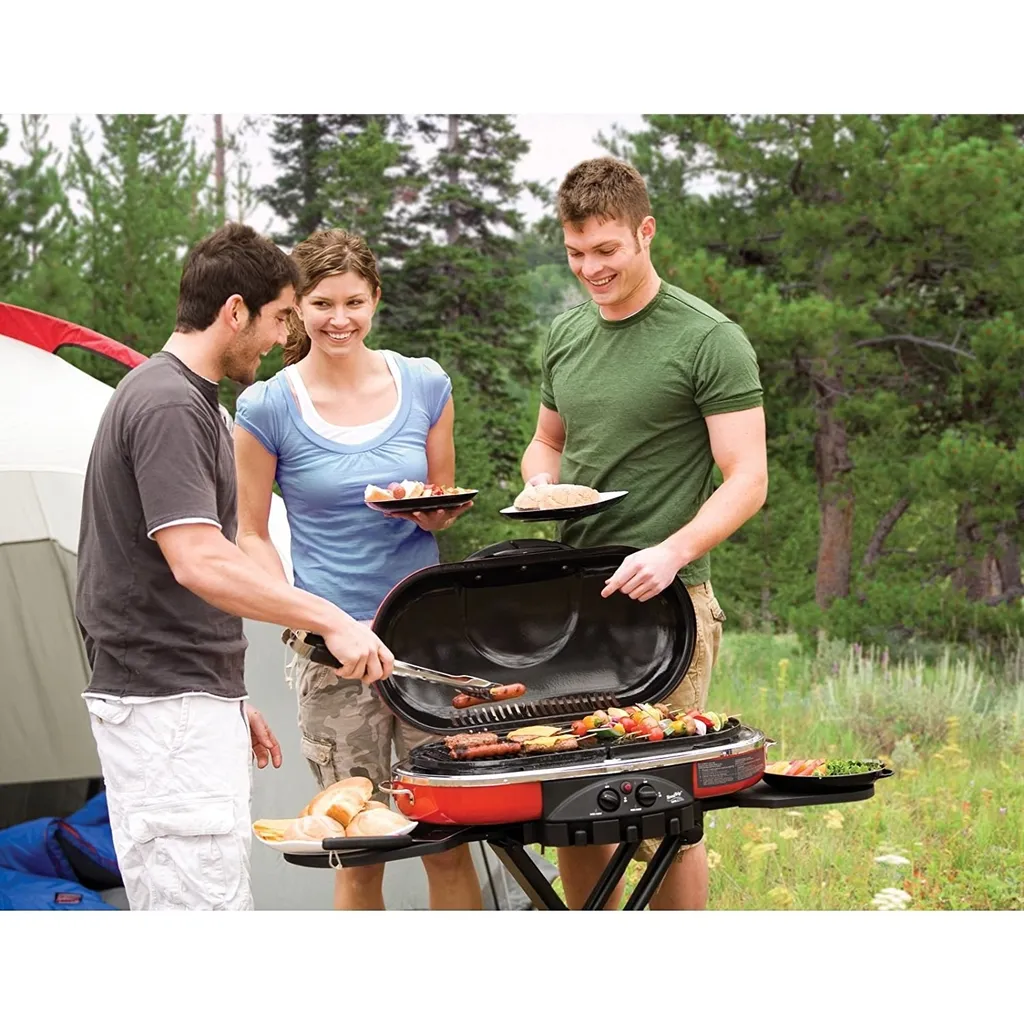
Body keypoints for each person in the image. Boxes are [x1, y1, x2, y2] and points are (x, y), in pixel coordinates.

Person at [76, 223, 394, 912]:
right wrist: (330, 619)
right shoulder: (167, 403)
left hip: (181, 700)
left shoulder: (187, 399)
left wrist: (224, 695)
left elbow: (165, 571)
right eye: (280, 317)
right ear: (234, 310)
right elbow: (197, 560)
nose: (284, 338)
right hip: (166, 713)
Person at [520, 158, 768, 911]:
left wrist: (672, 551)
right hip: (571, 608)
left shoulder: (708, 338)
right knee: (573, 809)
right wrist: (540, 482)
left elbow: (748, 477)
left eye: (606, 250)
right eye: (575, 253)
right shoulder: (567, 334)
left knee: (665, 814)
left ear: (646, 231)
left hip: (667, 605)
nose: (590, 268)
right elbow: (547, 442)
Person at [233, 228, 480, 911]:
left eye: (353, 302)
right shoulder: (267, 405)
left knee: (448, 839)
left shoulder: (425, 383)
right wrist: (297, 616)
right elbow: (250, 532)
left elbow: (438, 502)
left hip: (424, 641)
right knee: (358, 849)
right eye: (321, 304)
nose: (339, 319)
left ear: (376, 300)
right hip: (332, 652)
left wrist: (433, 513)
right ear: (297, 308)